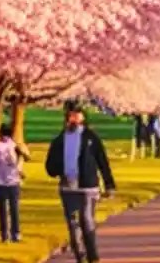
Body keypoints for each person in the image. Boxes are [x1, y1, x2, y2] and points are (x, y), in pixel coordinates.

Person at [45, 105, 117, 263]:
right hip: (67, 187)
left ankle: (93, 256)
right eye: (71, 116)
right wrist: (58, 169)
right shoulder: (59, 140)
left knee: (86, 220)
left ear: (83, 118)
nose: (74, 119)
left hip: (87, 186)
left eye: (77, 116)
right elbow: (50, 166)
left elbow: (102, 161)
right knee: (72, 223)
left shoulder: (91, 138)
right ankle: (80, 256)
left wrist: (109, 184)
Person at [0, 123, 29, 243]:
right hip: (10, 182)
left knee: (5, 210)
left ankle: (6, 234)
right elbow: (25, 158)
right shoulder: (13, 145)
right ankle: (13, 233)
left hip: (3, 182)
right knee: (12, 209)